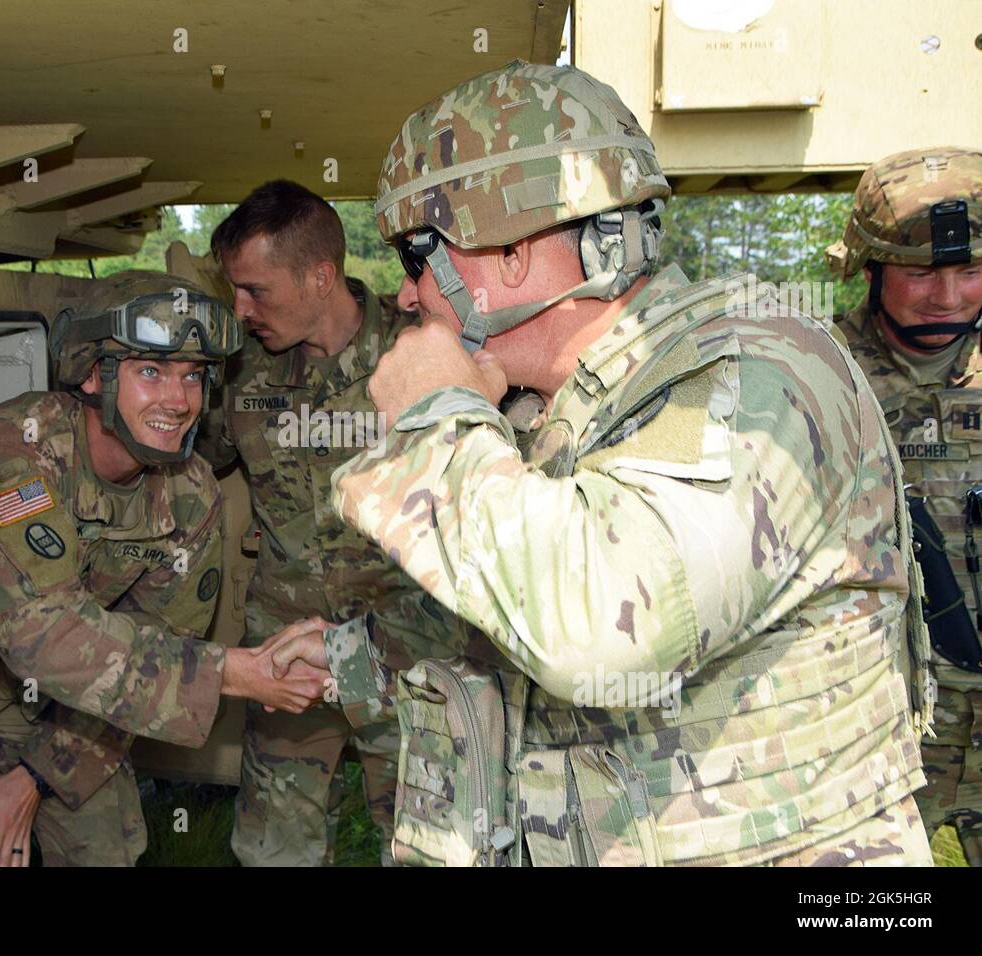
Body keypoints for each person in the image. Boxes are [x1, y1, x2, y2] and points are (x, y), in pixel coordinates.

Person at [268, 60, 936, 866]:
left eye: (418, 258)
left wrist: (434, 417)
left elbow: (603, 627)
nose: (408, 297)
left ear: (508, 251)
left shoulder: (757, 375)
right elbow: (507, 617)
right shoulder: (558, 405)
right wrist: (350, 658)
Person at [0, 271, 330, 867]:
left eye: (194, 375)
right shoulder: (13, 452)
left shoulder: (190, 493)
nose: (178, 400)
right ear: (93, 374)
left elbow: (157, 644)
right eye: (150, 371)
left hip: (63, 692)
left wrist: (37, 778)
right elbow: (43, 632)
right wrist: (233, 674)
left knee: (106, 847)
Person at [198, 180, 472, 866]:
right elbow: (187, 464)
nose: (241, 308)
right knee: (270, 853)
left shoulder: (425, 362)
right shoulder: (241, 377)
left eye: (256, 289)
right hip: (287, 666)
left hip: (406, 660)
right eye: (234, 289)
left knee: (424, 850)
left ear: (321, 277)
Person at [829, 146, 982, 866]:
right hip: (882, 720)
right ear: (870, 271)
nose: (948, 296)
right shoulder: (818, 375)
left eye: (970, 272)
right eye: (922, 274)